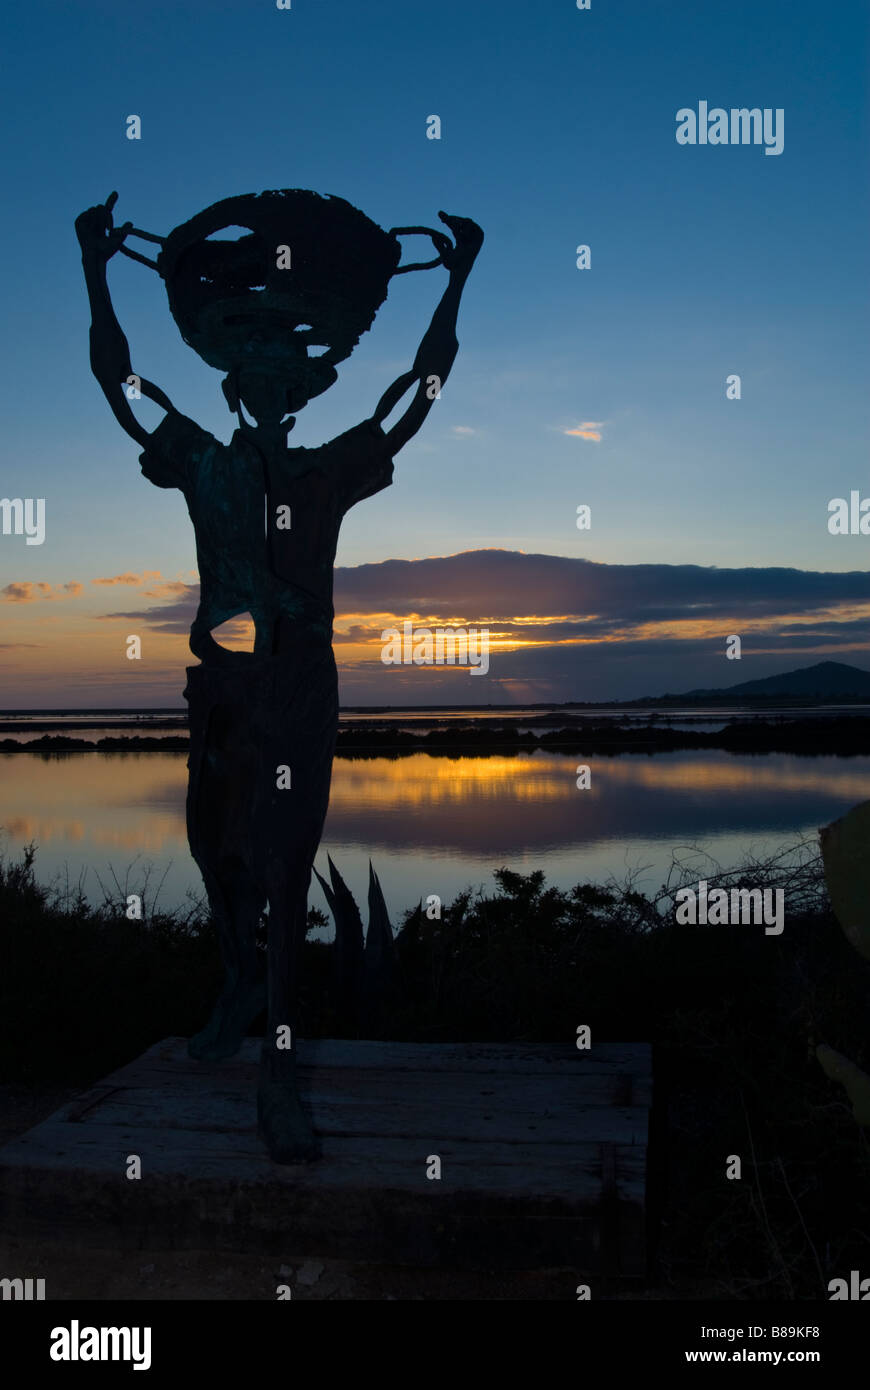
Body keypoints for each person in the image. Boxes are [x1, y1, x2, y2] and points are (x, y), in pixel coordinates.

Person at [75, 191, 483, 1161]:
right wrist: (93, 265)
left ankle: (280, 1072)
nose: (267, 382)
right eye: (252, 368)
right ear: (232, 383)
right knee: (214, 854)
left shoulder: (329, 472)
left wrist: (458, 283)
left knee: (287, 868)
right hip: (218, 687)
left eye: (285, 373)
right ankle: (239, 984)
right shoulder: (202, 464)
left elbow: (419, 396)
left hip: (299, 691)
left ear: (302, 391)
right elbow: (118, 379)